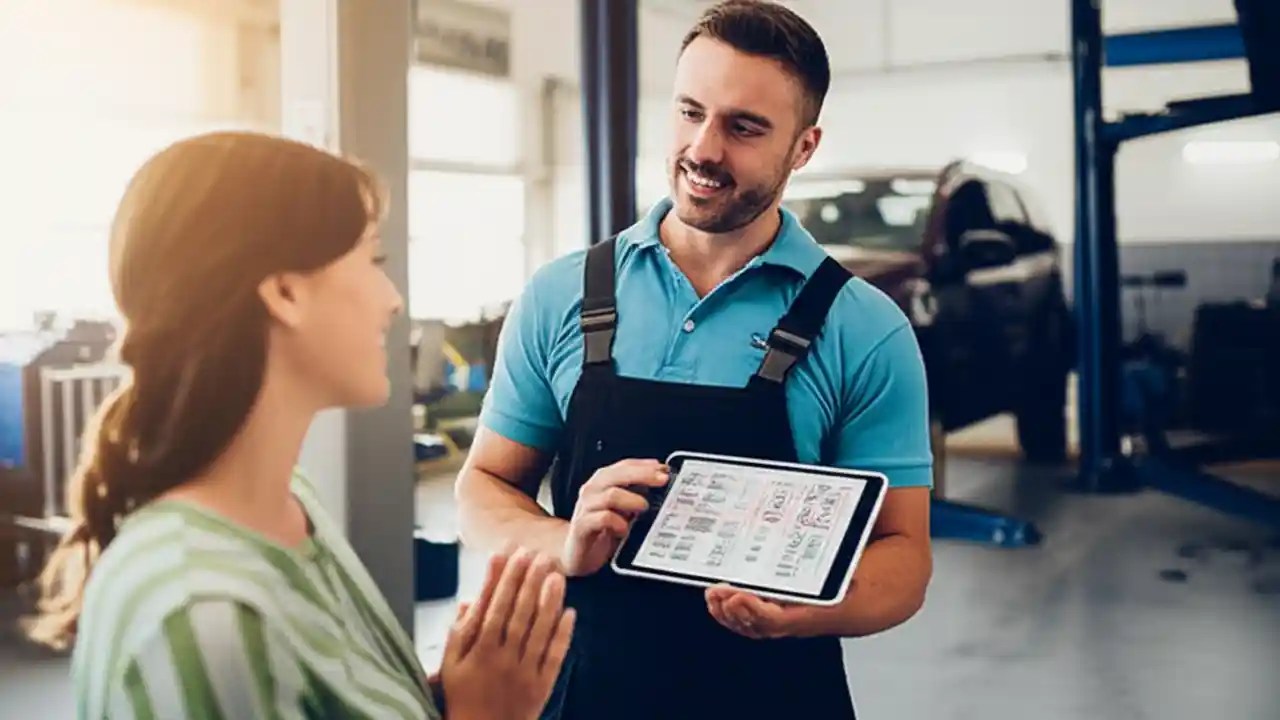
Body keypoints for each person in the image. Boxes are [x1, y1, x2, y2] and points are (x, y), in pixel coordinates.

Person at [455, 1, 934, 718]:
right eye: (689, 112)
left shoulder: (863, 328)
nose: (703, 148)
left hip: (775, 695)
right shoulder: (563, 294)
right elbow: (485, 485)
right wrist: (565, 541)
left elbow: (903, 555)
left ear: (804, 147)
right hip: (583, 693)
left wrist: (807, 611)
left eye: (743, 127)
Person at [25, 131, 575, 719]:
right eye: (371, 260)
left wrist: (441, 699)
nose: (391, 299)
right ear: (285, 293)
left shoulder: (292, 508)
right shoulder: (203, 617)